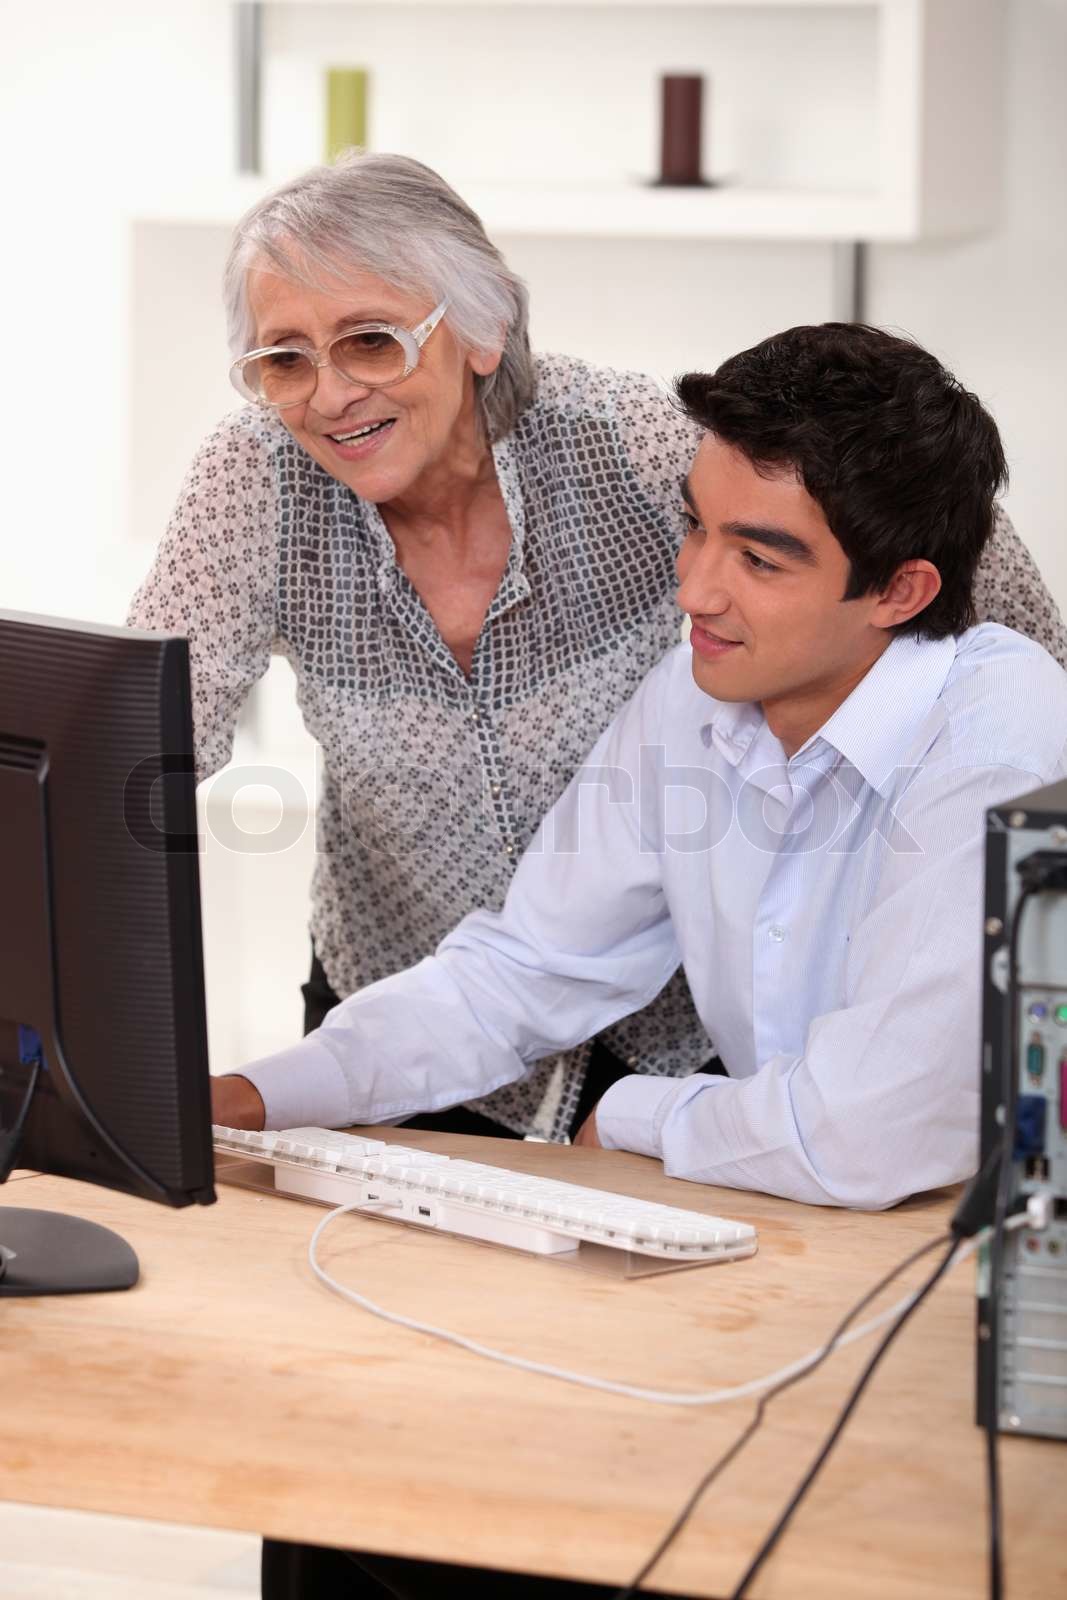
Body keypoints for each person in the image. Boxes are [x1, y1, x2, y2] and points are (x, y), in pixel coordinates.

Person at [131, 152, 1067, 1159]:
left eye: (370, 341)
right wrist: (239, 1090)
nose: (328, 394)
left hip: (697, 1073)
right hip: (420, 1013)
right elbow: (520, 969)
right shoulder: (691, 700)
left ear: (480, 331)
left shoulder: (639, 442)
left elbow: (867, 1125)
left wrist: (1010, 724)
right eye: (284, 359)